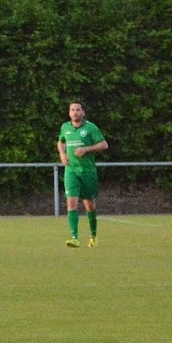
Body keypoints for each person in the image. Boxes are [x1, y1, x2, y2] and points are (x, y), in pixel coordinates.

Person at [58, 101, 106, 247]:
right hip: (71, 171)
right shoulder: (65, 127)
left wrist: (86, 149)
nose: (75, 112)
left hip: (88, 171)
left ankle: (93, 235)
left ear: (83, 112)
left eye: (78, 110)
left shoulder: (90, 128)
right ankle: (74, 238)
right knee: (71, 202)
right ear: (69, 113)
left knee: (89, 205)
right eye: (72, 110)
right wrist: (62, 154)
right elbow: (61, 141)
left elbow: (104, 145)